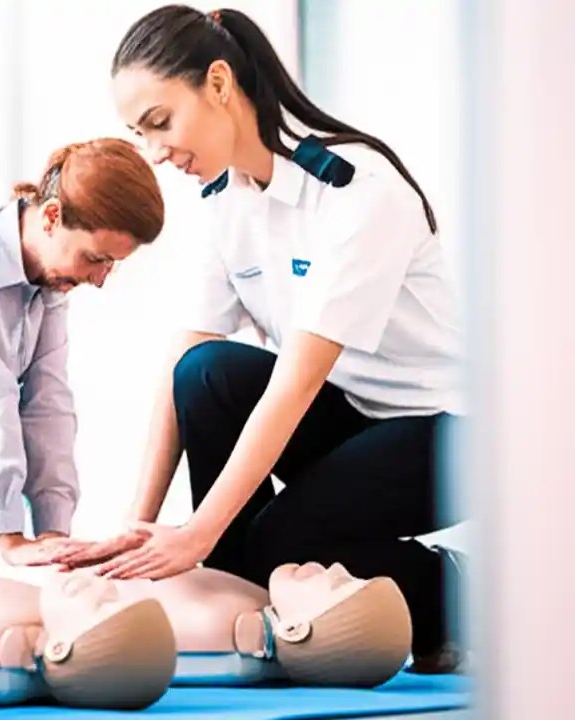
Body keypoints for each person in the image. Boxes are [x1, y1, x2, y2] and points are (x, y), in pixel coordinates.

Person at [67, 5, 464, 672]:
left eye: (161, 123)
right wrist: (137, 528)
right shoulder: (229, 201)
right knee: (205, 371)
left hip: (444, 431)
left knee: (275, 538)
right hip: (349, 425)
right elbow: (182, 362)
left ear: (218, 83)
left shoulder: (356, 189)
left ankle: (462, 593)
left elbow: (298, 379)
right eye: (141, 134)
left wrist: (198, 531)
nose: (157, 153)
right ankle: (243, 599)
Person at [0, 138, 165, 574]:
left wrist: (54, 535)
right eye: (95, 259)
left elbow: (48, 407)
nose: (100, 280)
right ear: (52, 216)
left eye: (112, 265)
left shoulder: (47, 287)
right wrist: (10, 538)